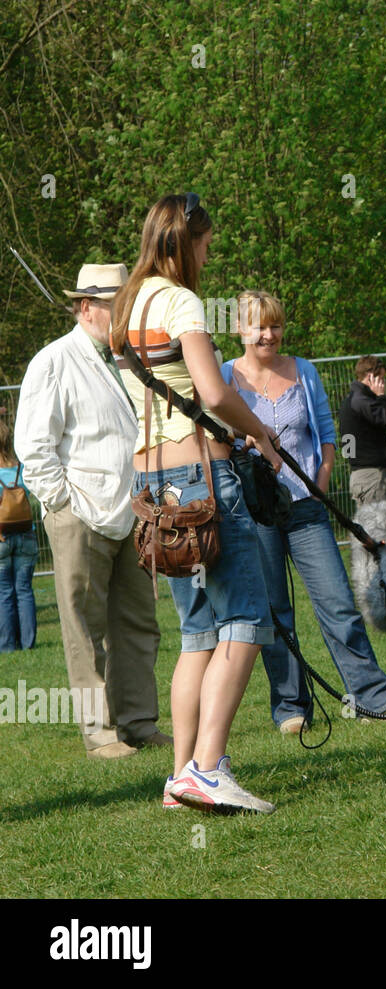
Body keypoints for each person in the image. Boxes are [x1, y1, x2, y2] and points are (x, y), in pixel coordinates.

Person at [111, 193, 283, 813]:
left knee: (196, 634)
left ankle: (180, 775)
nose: (210, 254)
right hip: (202, 477)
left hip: (152, 483)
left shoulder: (127, 306)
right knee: (245, 620)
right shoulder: (180, 301)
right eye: (207, 244)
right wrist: (259, 431)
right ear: (186, 241)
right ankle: (207, 771)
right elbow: (212, 390)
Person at [222, 290, 386, 733]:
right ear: (239, 329)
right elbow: (219, 440)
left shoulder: (304, 371)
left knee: (337, 603)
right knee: (275, 612)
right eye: (258, 326)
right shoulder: (223, 377)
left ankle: (375, 698)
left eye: (275, 325)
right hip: (256, 512)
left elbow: (326, 433)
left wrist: (323, 478)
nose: (268, 335)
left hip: (306, 508)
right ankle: (292, 707)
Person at [15, 262, 164, 758]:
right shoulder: (53, 361)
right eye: (114, 304)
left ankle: (139, 723)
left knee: (140, 621)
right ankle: (99, 731)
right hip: (80, 512)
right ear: (86, 308)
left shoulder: (129, 360)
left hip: (134, 512)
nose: (123, 313)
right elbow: (34, 446)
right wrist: (62, 504)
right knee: (84, 626)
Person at [338, 355, 386, 508]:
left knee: (368, 525)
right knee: (378, 526)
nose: (383, 383)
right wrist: (382, 396)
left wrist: (355, 460)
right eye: (381, 378)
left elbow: (346, 446)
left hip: (359, 473)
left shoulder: (350, 401)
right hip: (371, 475)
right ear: (371, 377)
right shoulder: (363, 401)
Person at [0, 419, 38, 652]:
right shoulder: (22, 469)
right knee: (24, 589)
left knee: (4, 592)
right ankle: (28, 643)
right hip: (26, 535)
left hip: (1, 539)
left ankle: (6, 645)